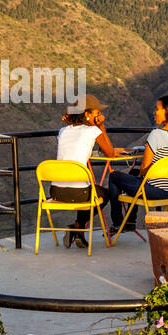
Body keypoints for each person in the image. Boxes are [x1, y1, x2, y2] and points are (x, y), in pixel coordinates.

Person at [50, 94, 126, 249]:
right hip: (79, 193)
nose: (99, 117)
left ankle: (78, 231)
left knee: (87, 190)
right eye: (97, 114)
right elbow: (110, 153)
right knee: (104, 194)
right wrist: (101, 127)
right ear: (87, 114)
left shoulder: (63, 131)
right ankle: (77, 227)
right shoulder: (92, 131)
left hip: (55, 192)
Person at [108, 95, 168, 234]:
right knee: (133, 174)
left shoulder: (156, 134)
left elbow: (144, 169)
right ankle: (130, 222)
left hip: (154, 190)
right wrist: (133, 152)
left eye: (157, 109)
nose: (154, 112)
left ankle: (117, 223)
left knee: (114, 176)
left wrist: (139, 178)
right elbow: (165, 155)